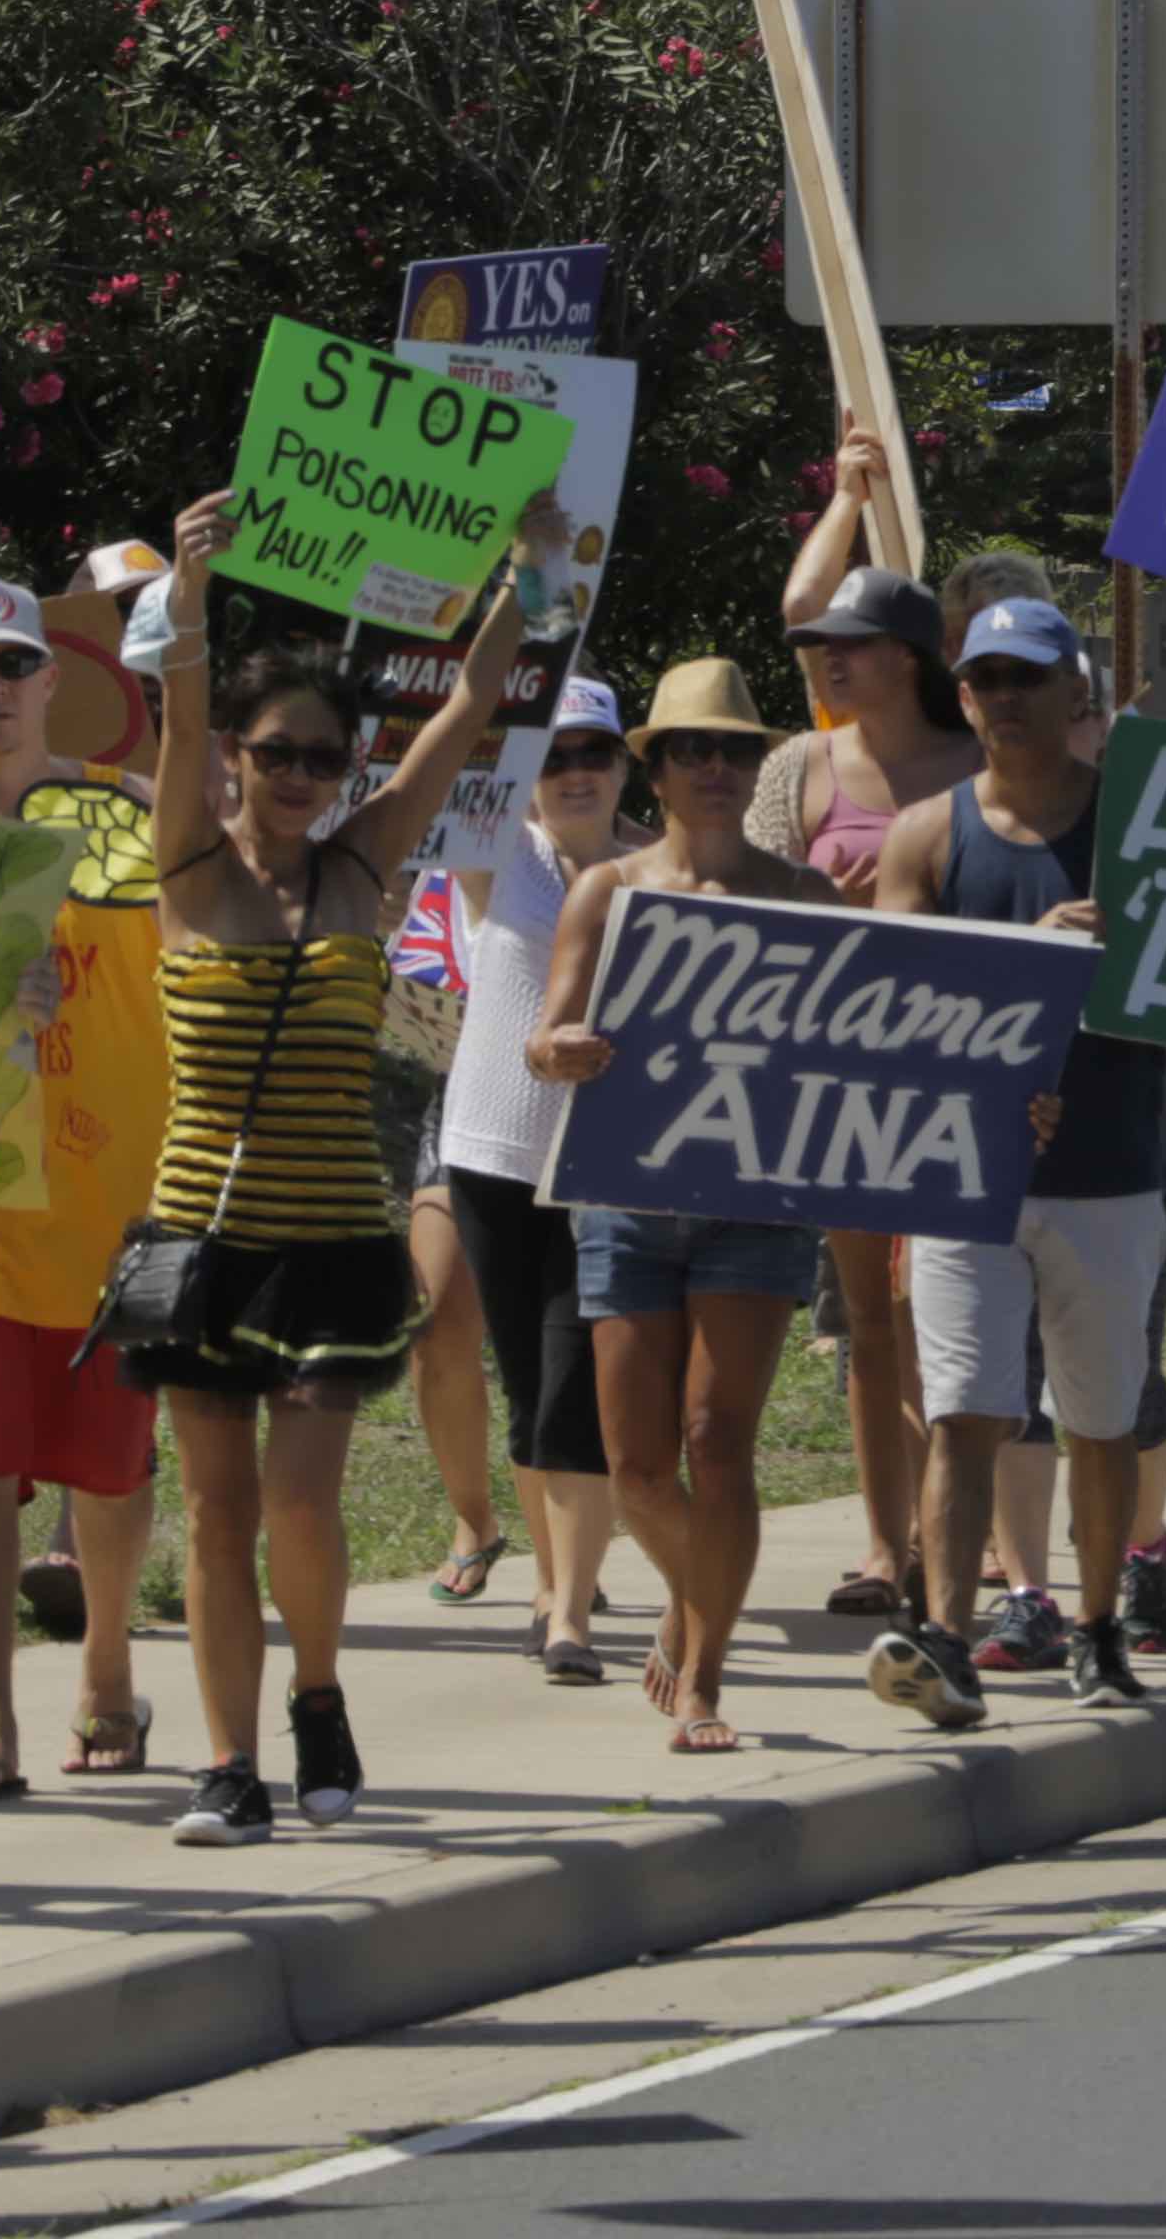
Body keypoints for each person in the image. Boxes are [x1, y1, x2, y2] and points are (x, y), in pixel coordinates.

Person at [135, 487, 538, 1844]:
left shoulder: (369, 863)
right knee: (213, 1505)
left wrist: (525, 564)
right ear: (237, 759)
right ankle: (228, 1764)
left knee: (301, 1499)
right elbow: (176, 713)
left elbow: (471, 705)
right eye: (278, 753)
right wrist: (188, 600)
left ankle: (317, 1697)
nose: (302, 775)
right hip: (198, 1242)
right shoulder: (187, 864)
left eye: (324, 757)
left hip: (332, 1244)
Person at [0, 573, 172, 1797]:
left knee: (110, 1468)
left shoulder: (131, 818)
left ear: (56, 681)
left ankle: (107, 1669)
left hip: (117, 1209)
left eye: (11, 668)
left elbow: (212, 959)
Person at [861, 601, 1166, 1722]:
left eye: (1026, 679)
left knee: (1100, 1418)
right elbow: (891, 1001)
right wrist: (1013, 964)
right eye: (985, 680)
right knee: (965, 1413)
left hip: (1110, 1165)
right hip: (968, 1172)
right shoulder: (928, 835)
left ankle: (1096, 1627)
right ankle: (944, 1635)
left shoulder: (1141, 827)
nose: (1004, 701)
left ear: (1074, 692)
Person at [528, 660, 822, 1757]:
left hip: (755, 1202)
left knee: (717, 1438)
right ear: (652, 766)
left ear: (757, 768)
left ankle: (704, 1674)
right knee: (639, 1470)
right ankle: (693, 1596)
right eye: (692, 749)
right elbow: (543, 1034)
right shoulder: (608, 891)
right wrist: (558, 1047)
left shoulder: (803, 898)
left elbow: (892, 1045)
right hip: (626, 1199)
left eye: (736, 749)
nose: (715, 766)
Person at [750, 433, 973, 1619]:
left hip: (954, 1078)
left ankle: (967, 1528)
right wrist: (842, 494)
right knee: (867, 1326)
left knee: (954, 1315)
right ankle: (888, 1546)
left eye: (849, 649)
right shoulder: (799, 767)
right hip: (836, 1080)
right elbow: (753, 917)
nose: (827, 661)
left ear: (908, 658)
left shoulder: (981, 762)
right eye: (819, 651)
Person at [408, 676, 624, 1680]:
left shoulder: (656, 867)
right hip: (492, 1156)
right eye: (554, 754)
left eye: (595, 752)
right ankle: (549, 1581)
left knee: (576, 1384)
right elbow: (438, 768)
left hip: (606, 1167)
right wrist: (503, 658)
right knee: (531, 1382)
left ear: (625, 763)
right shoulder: (498, 854)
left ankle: (570, 1613)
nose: (575, 772)